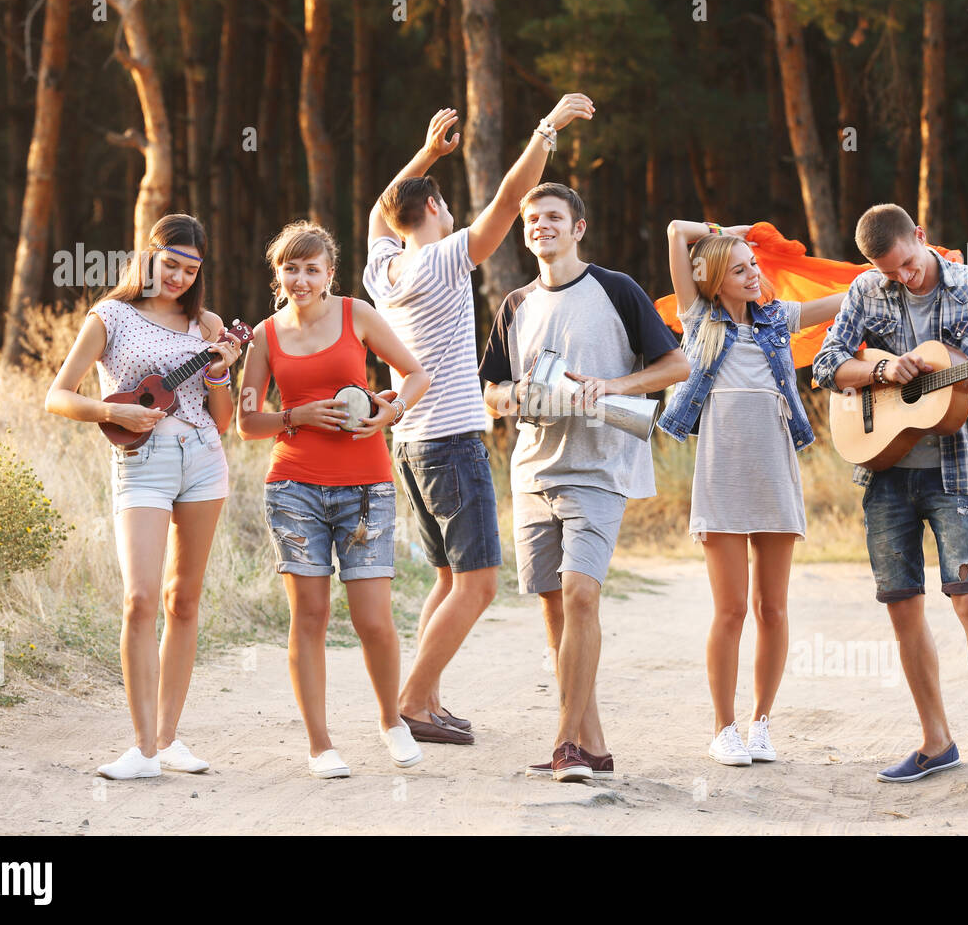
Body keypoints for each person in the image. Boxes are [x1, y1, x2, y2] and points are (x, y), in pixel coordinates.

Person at [364, 95, 594, 743]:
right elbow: (512, 194)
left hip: (409, 445)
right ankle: (409, 703)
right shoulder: (443, 258)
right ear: (435, 209)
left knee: (446, 579)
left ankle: (426, 699)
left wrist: (431, 153)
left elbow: (382, 209)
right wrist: (546, 127)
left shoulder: (382, 269)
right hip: (449, 441)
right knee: (479, 584)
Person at [811, 203, 968, 787]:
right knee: (903, 606)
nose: (903, 278)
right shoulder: (866, 290)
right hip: (884, 471)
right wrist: (883, 373)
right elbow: (826, 365)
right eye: (891, 272)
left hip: (955, 474)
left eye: (908, 265)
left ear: (923, 239)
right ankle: (936, 742)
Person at [479, 183, 690, 782]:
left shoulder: (617, 289)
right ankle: (592, 743)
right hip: (532, 472)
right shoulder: (514, 304)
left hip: (599, 469)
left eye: (554, 217)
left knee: (581, 596)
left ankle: (565, 742)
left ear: (579, 228)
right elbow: (490, 387)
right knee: (555, 608)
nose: (542, 226)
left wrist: (612, 386)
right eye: (533, 219)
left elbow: (677, 365)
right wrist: (512, 395)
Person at [45, 213, 243, 780]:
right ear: (148, 256)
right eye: (171, 263)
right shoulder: (111, 316)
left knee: (184, 601)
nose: (179, 277)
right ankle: (141, 750)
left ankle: (169, 738)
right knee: (140, 598)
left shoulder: (205, 325)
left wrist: (223, 375)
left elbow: (223, 421)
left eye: (191, 268)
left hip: (204, 462)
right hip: (142, 465)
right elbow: (58, 396)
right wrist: (113, 409)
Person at [236, 221, 430, 778]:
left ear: (329, 275)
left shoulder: (358, 315)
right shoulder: (264, 338)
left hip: (366, 487)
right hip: (293, 486)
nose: (300, 279)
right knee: (311, 616)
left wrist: (390, 414)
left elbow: (415, 375)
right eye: (290, 269)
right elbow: (248, 421)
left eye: (311, 269)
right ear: (278, 275)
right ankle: (321, 745)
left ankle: (392, 722)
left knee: (373, 619)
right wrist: (295, 415)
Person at [657, 221, 843, 767]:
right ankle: (724, 728)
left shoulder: (776, 320)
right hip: (722, 473)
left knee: (774, 609)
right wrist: (724, 231)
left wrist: (889, 272)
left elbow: (840, 299)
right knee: (731, 610)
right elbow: (675, 233)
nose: (753, 275)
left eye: (754, 266)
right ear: (715, 281)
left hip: (775, 471)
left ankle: (762, 723)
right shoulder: (699, 320)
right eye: (740, 269)